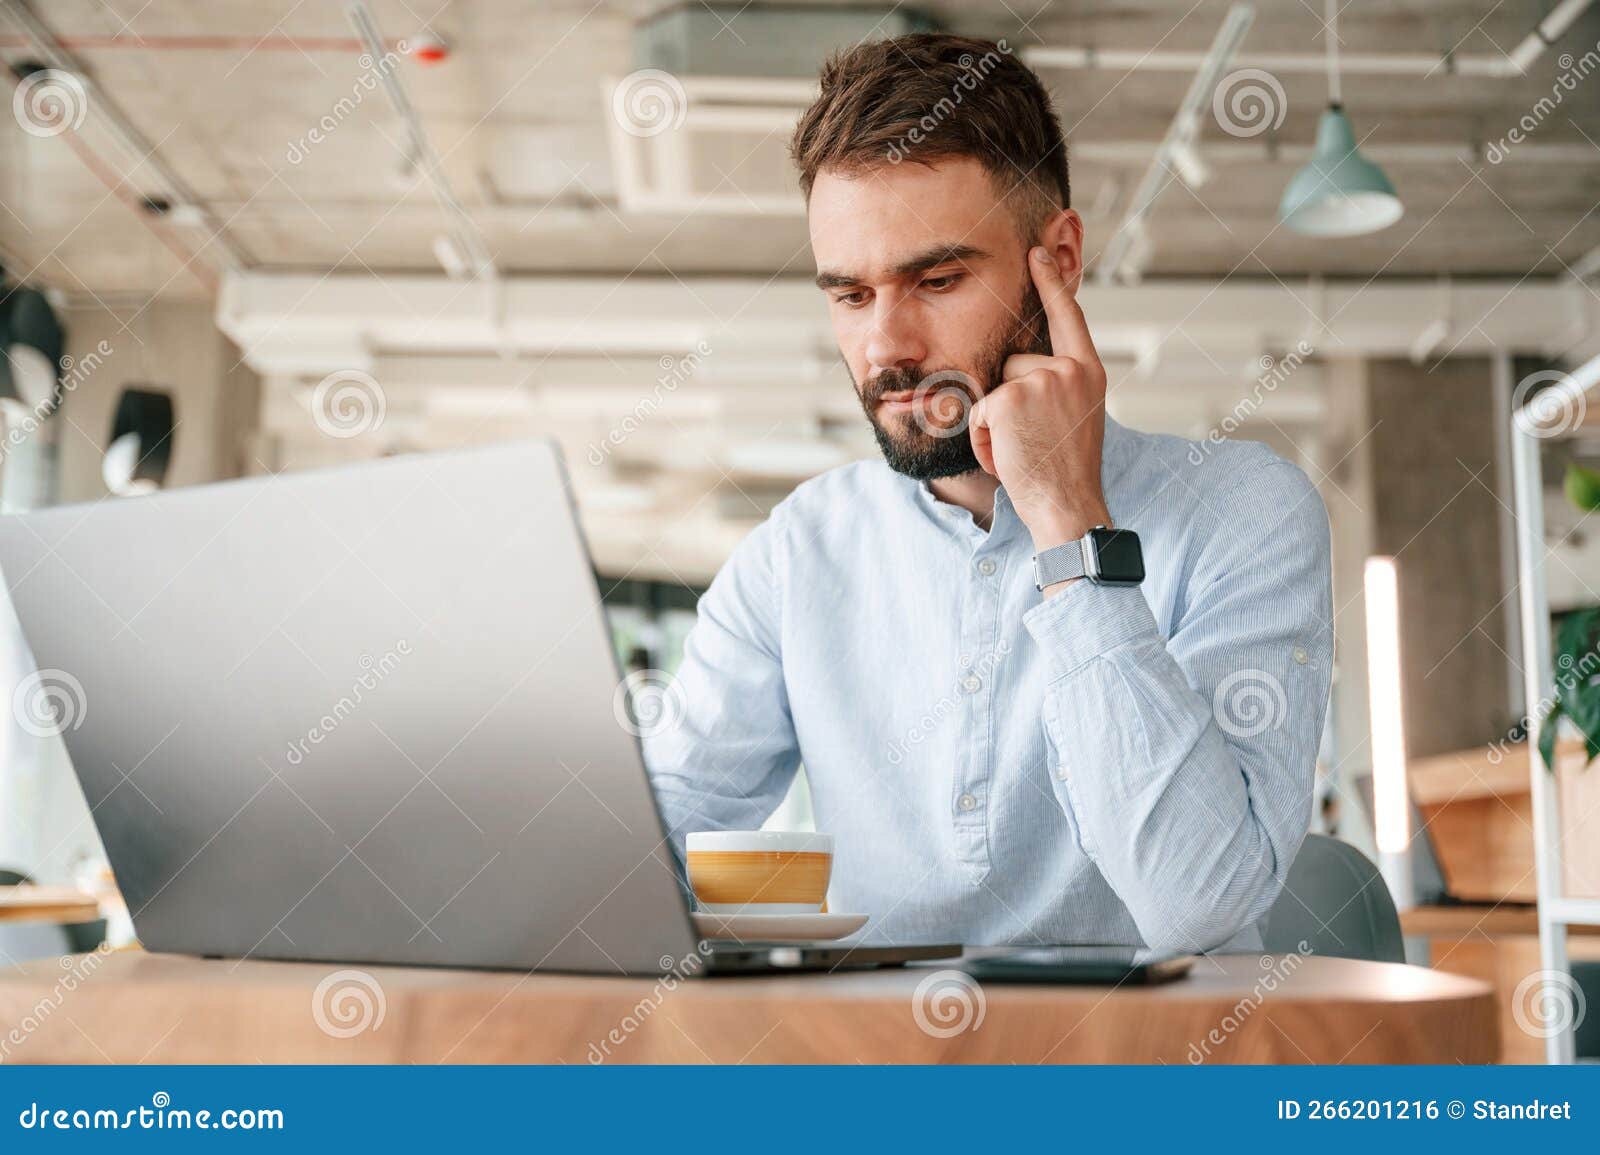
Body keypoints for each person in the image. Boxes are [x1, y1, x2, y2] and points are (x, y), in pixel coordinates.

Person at [642, 33, 1333, 951]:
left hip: (1148, 1041)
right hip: (874, 1042)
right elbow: (644, 849)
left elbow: (1196, 904)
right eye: (850, 296)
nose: (886, 347)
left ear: (1061, 258)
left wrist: (1068, 523)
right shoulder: (797, 551)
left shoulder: (1245, 512)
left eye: (936, 280)